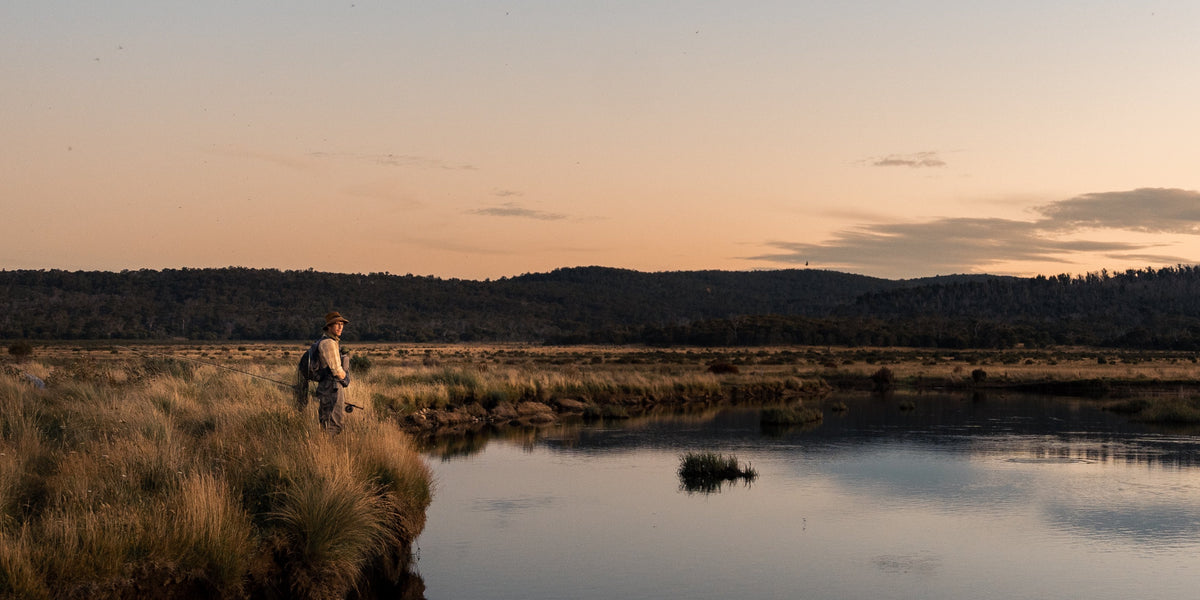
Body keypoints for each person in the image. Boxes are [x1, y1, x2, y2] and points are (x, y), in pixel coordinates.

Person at [315, 311, 351, 433]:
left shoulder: (330, 341)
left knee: (327, 421)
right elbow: (336, 371)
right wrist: (346, 378)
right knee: (334, 424)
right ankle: (328, 449)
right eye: (337, 324)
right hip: (332, 387)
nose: (341, 327)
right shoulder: (329, 343)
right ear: (329, 327)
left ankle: (326, 447)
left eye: (342, 324)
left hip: (328, 387)